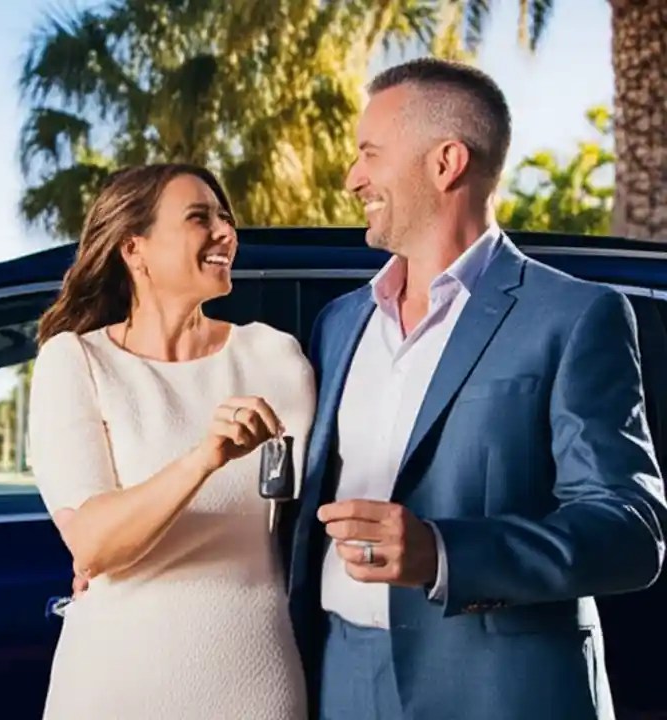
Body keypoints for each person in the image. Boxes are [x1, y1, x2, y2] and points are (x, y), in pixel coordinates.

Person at [284, 57, 667, 720]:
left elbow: (630, 532)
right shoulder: (339, 323)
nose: (353, 178)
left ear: (446, 162)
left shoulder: (576, 317)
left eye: (370, 154)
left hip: (499, 693)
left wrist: (443, 553)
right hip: (338, 681)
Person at [27, 162, 317, 719]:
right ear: (134, 249)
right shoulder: (77, 362)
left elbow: (313, 513)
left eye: (225, 218)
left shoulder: (274, 358)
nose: (225, 232)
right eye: (198, 217)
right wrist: (203, 459)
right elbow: (93, 545)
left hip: (253, 683)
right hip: (113, 686)